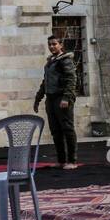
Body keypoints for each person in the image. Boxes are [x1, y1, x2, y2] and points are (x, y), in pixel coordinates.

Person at [33, 34, 78, 169]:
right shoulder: (51, 61)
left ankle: (72, 161)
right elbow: (45, 82)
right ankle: (61, 160)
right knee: (56, 131)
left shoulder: (65, 60)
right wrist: (38, 99)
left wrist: (66, 98)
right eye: (50, 44)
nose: (52, 46)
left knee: (67, 129)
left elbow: (71, 80)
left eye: (54, 44)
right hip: (51, 99)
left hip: (61, 98)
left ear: (61, 45)